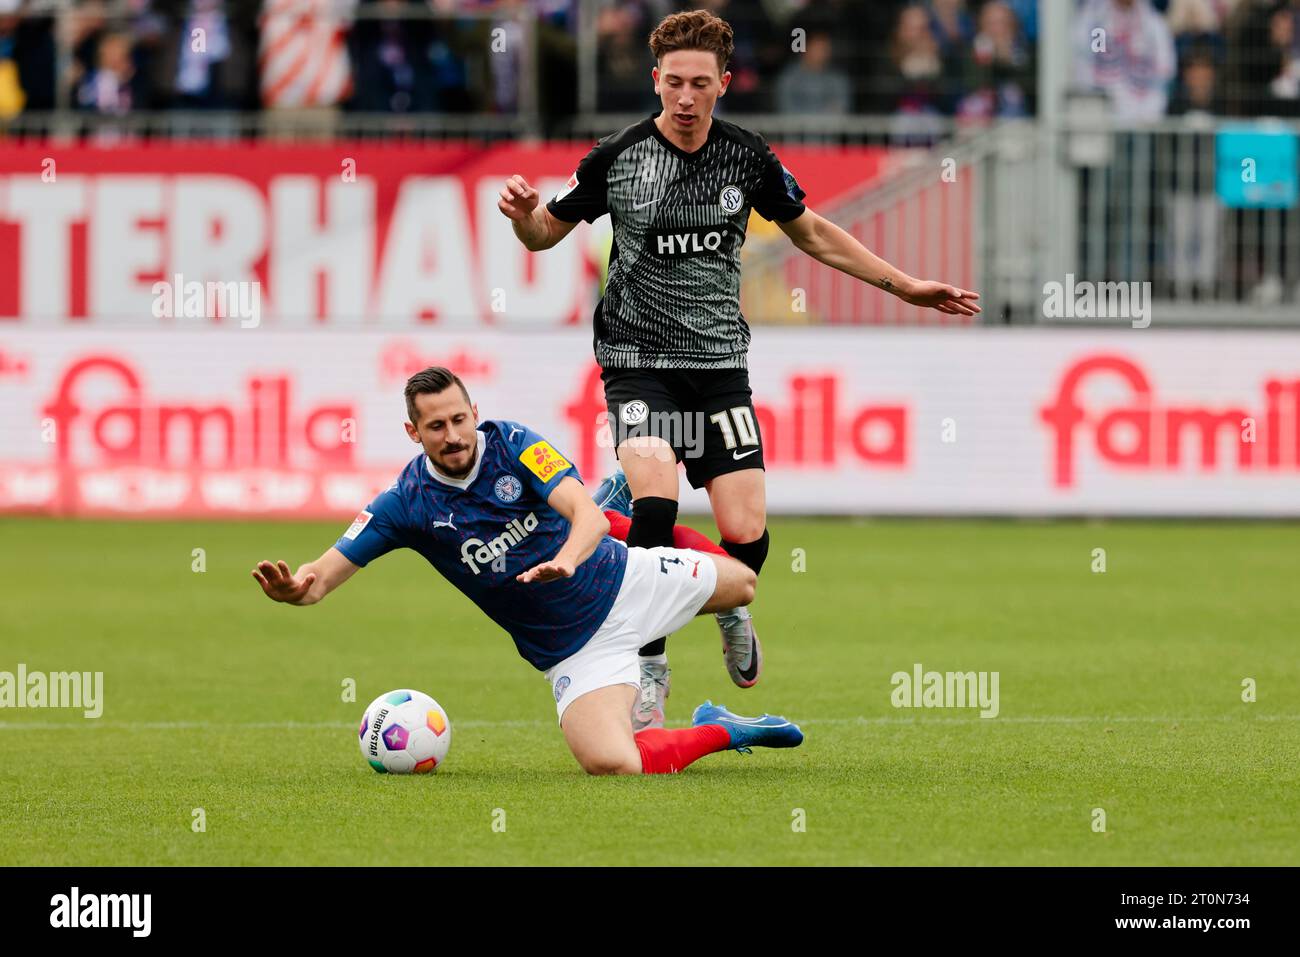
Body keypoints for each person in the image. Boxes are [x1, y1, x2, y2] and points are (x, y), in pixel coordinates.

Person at [496, 8, 979, 729]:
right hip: (635, 362)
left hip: (719, 365)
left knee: (745, 532)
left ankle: (728, 603)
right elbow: (543, 235)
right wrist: (522, 215)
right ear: (656, 80)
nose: (685, 97)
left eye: (700, 83)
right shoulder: (618, 156)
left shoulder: (747, 156)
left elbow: (810, 230)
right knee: (652, 487)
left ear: (723, 83)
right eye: (674, 82)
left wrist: (903, 284)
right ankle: (650, 664)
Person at [251, 366, 804, 776]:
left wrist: (567, 558)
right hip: (572, 652)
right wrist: (296, 588)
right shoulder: (404, 504)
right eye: (437, 426)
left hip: (623, 580)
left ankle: (713, 601)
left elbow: (579, 515)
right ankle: (725, 727)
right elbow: (318, 579)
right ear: (413, 433)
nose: (454, 436)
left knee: (743, 581)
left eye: (460, 419)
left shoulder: (514, 443)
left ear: (474, 412)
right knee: (614, 765)